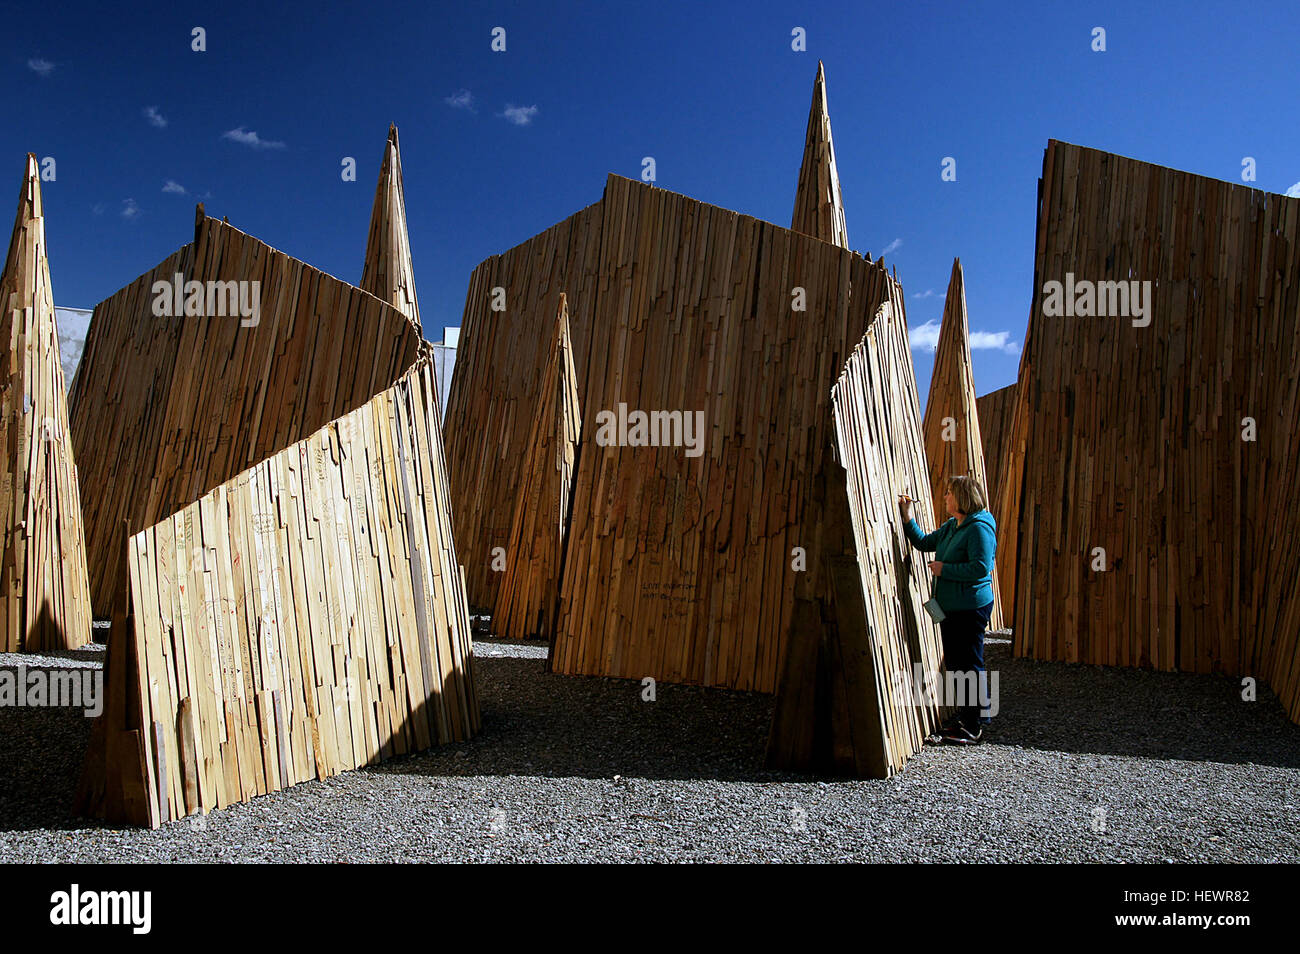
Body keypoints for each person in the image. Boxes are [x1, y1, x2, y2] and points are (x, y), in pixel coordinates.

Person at [898, 476, 996, 744]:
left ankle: (974, 727)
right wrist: (908, 518)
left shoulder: (979, 529)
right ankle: (968, 720)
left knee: (969, 663)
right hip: (952, 607)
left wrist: (945, 570)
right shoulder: (954, 525)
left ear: (962, 498)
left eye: (950, 493)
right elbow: (924, 543)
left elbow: (981, 567)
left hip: (970, 607)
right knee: (957, 663)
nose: (945, 497)